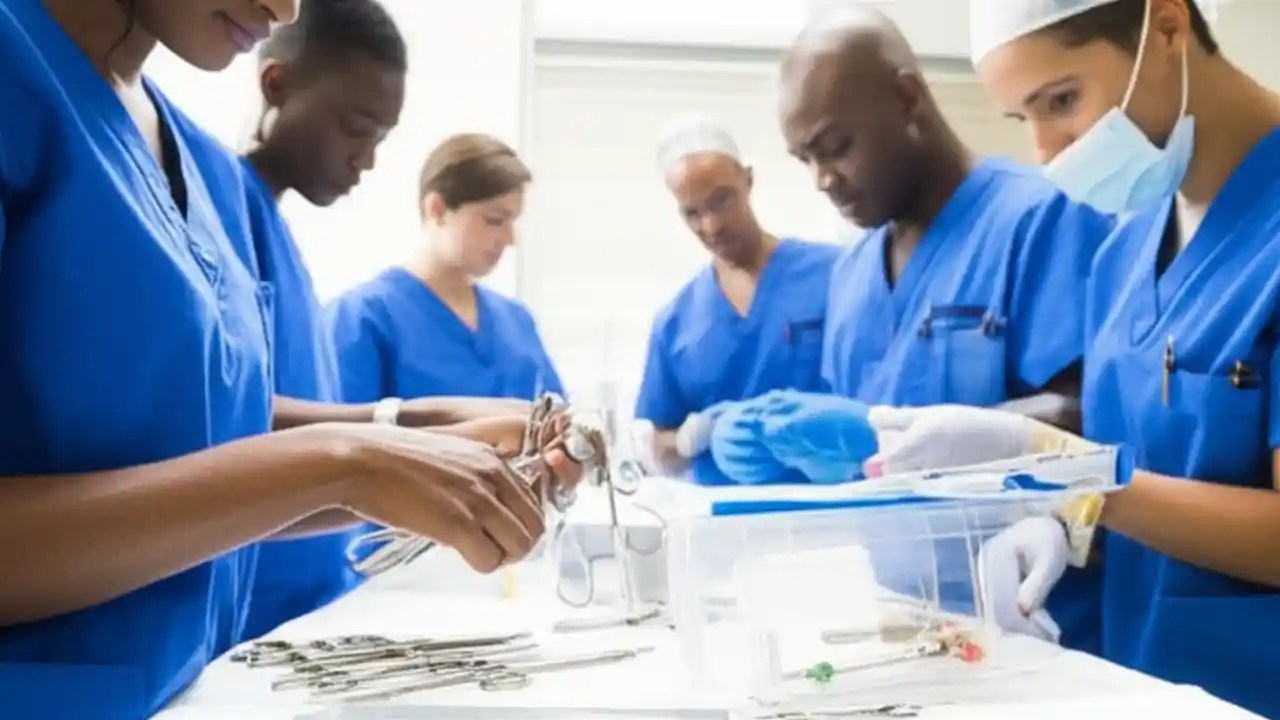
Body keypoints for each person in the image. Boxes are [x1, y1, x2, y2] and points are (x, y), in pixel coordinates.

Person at [0, 2, 577, 717]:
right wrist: (346, 461)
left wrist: (424, 445)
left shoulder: (179, 147)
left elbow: (201, 439)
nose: (283, 8)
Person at [865, 0, 1280, 715]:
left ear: (1170, 25)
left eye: (1060, 100)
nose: (1047, 152)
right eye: (1022, 119)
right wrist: (1061, 522)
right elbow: (1150, 462)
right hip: (1138, 690)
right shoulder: (1123, 253)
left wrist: (1078, 481)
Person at [232, 0, 409, 641]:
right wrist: (410, 432)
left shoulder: (275, 232)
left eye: (380, 139)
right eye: (355, 128)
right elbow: (228, 420)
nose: (365, 159)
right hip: (243, 621)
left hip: (310, 610)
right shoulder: (220, 209)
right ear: (277, 83)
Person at [635, 113, 842, 486]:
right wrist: (687, 438)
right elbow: (655, 440)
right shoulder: (675, 322)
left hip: (830, 510)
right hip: (723, 523)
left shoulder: (837, 275)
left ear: (748, 181)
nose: (711, 226)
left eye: (721, 201)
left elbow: (880, 397)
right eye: (692, 213)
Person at [327, 133, 564, 407]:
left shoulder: (516, 322)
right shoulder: (364, 318)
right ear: (437, 209)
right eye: (494, 220)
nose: (510, 239)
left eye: (513, 221)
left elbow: (558, 423)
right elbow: (344, 438)